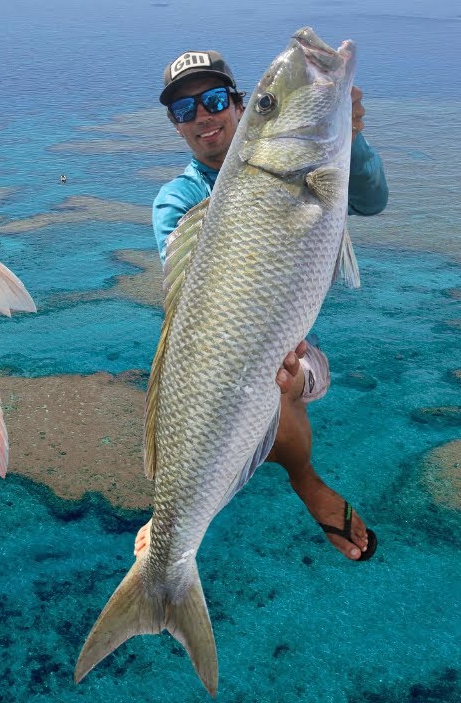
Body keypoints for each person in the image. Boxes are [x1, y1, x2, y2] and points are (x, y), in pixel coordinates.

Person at [140, 49, 389, 562]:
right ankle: (177, 510)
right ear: (176, 125)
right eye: (185, 110)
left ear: (238, 104)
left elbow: (371, 200)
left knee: (284, 377)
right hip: (219, 352)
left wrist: (352, 138)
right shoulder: (177, 198)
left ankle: (305, 481)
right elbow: (191, 296)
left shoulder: (311, 162)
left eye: (212, 100)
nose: (203, 117)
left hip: (300, 351)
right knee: (230, 390)